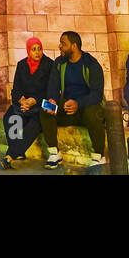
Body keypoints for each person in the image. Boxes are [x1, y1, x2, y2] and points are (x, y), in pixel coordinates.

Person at [41, 31, 106, 169]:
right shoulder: (59, 63)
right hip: (67, 107)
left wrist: (78, 103)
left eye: (63, 44)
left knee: (93, 113)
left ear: (74, 46)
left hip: (86, 107)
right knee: (46, 108)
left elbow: (97, 95)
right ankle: (54, 153)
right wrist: (52, 100)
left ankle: (99, 155)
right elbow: (53, 85)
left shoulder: (91, 64)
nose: (60, 46)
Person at [0, 36, 55, 170]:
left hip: (44, 102)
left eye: (39, 49)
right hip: (25, 104)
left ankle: (10, 154)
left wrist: (34, 100)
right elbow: (16, 89)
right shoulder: (22, 65)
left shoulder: (49, 64)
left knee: (35, 123)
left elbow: (51, 89)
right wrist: (22, 101)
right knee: (11, 117)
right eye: (33, 49)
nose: (37, 52)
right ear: (28, 51)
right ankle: (18, 152)